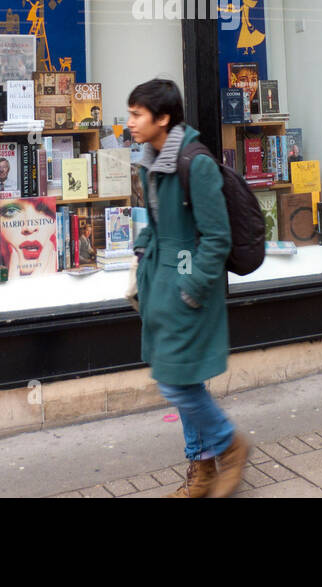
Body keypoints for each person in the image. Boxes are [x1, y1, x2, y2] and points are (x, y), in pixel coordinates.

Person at [127, 77, 247, 498]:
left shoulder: (195, 163)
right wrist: (142, 255)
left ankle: (230, 443)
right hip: (160, 282)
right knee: (183, 380)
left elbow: (217, 238)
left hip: (186, 287)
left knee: (175, 382)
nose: (130, 123)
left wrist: (192, 286)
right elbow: (157, 224)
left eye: (137, 114)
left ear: (163, 118)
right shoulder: (151, 159)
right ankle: (202, 470)